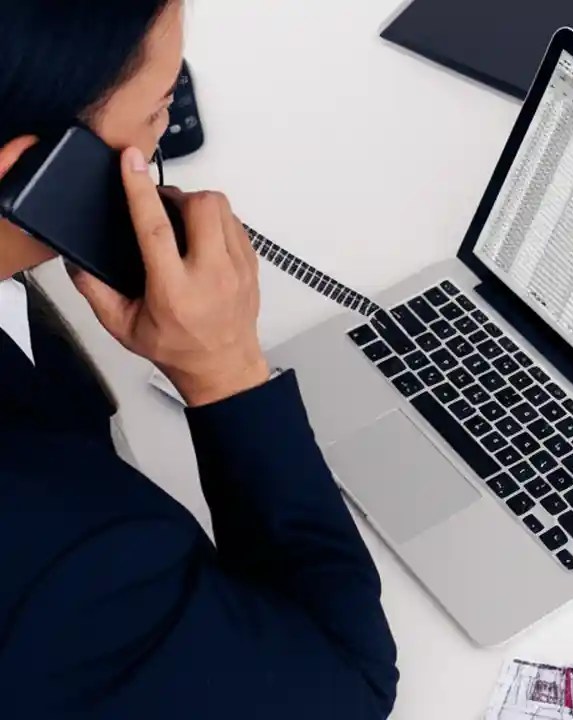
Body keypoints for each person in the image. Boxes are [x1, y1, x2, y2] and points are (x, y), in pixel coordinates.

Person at [0, 2, 399, 718]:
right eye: (159, 107)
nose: (167, 127)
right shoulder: (63, 563)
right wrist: (226, 371)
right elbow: (346, 690)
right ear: (23, 168)